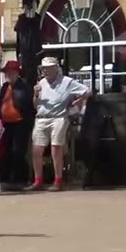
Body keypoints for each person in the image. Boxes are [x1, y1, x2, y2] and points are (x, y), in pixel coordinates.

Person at [29, 56, 90, 191]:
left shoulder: (67, 82)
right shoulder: (41, 83)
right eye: (43, 68)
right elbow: (35, 105)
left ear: (56, 68)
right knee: (36, 150)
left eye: (48, 68)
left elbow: (87, 91)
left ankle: (58, 181)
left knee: (56, 148)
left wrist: (78, 102)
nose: (45, 71)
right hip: (41, 117)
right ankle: (38, 180)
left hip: (59, 117)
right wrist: (36, 95)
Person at [0, 60, 35, 188]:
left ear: (17, 73)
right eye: (7, 72)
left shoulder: (24, 87)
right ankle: (7, 178)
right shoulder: (4, 87)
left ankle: (20, 178)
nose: (8, 75)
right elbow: (2, 104)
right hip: (6, 124)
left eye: (11, 72)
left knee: (18, 151)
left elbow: (27, 106)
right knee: (5, 151)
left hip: (20, 124)